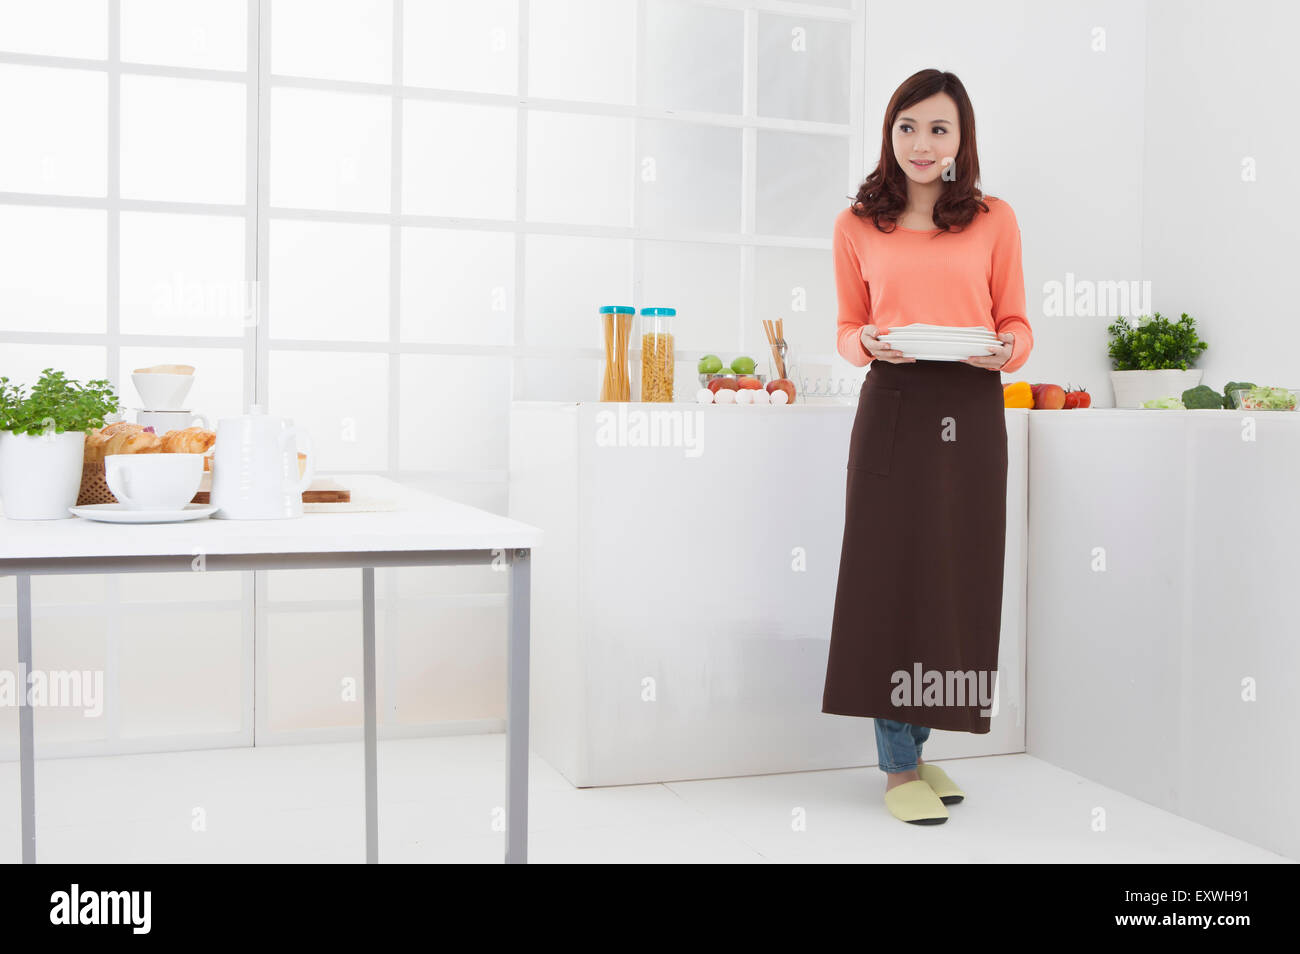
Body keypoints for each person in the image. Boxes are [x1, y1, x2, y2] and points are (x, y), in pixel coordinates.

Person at [821, 69, 1033, 826]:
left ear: (961, 139)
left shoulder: (993, 219)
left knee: (956, 575)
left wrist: (1007, 351)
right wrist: (866, 342)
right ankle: (898, 764)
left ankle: (915, 743)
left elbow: (1015, 322)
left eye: (938, 129)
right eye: (907, 126)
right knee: (891, 576)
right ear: (890, 131)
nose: (920, 143)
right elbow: (848, 329)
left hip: (972, 407)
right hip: (896, 404)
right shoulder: (856, 226)